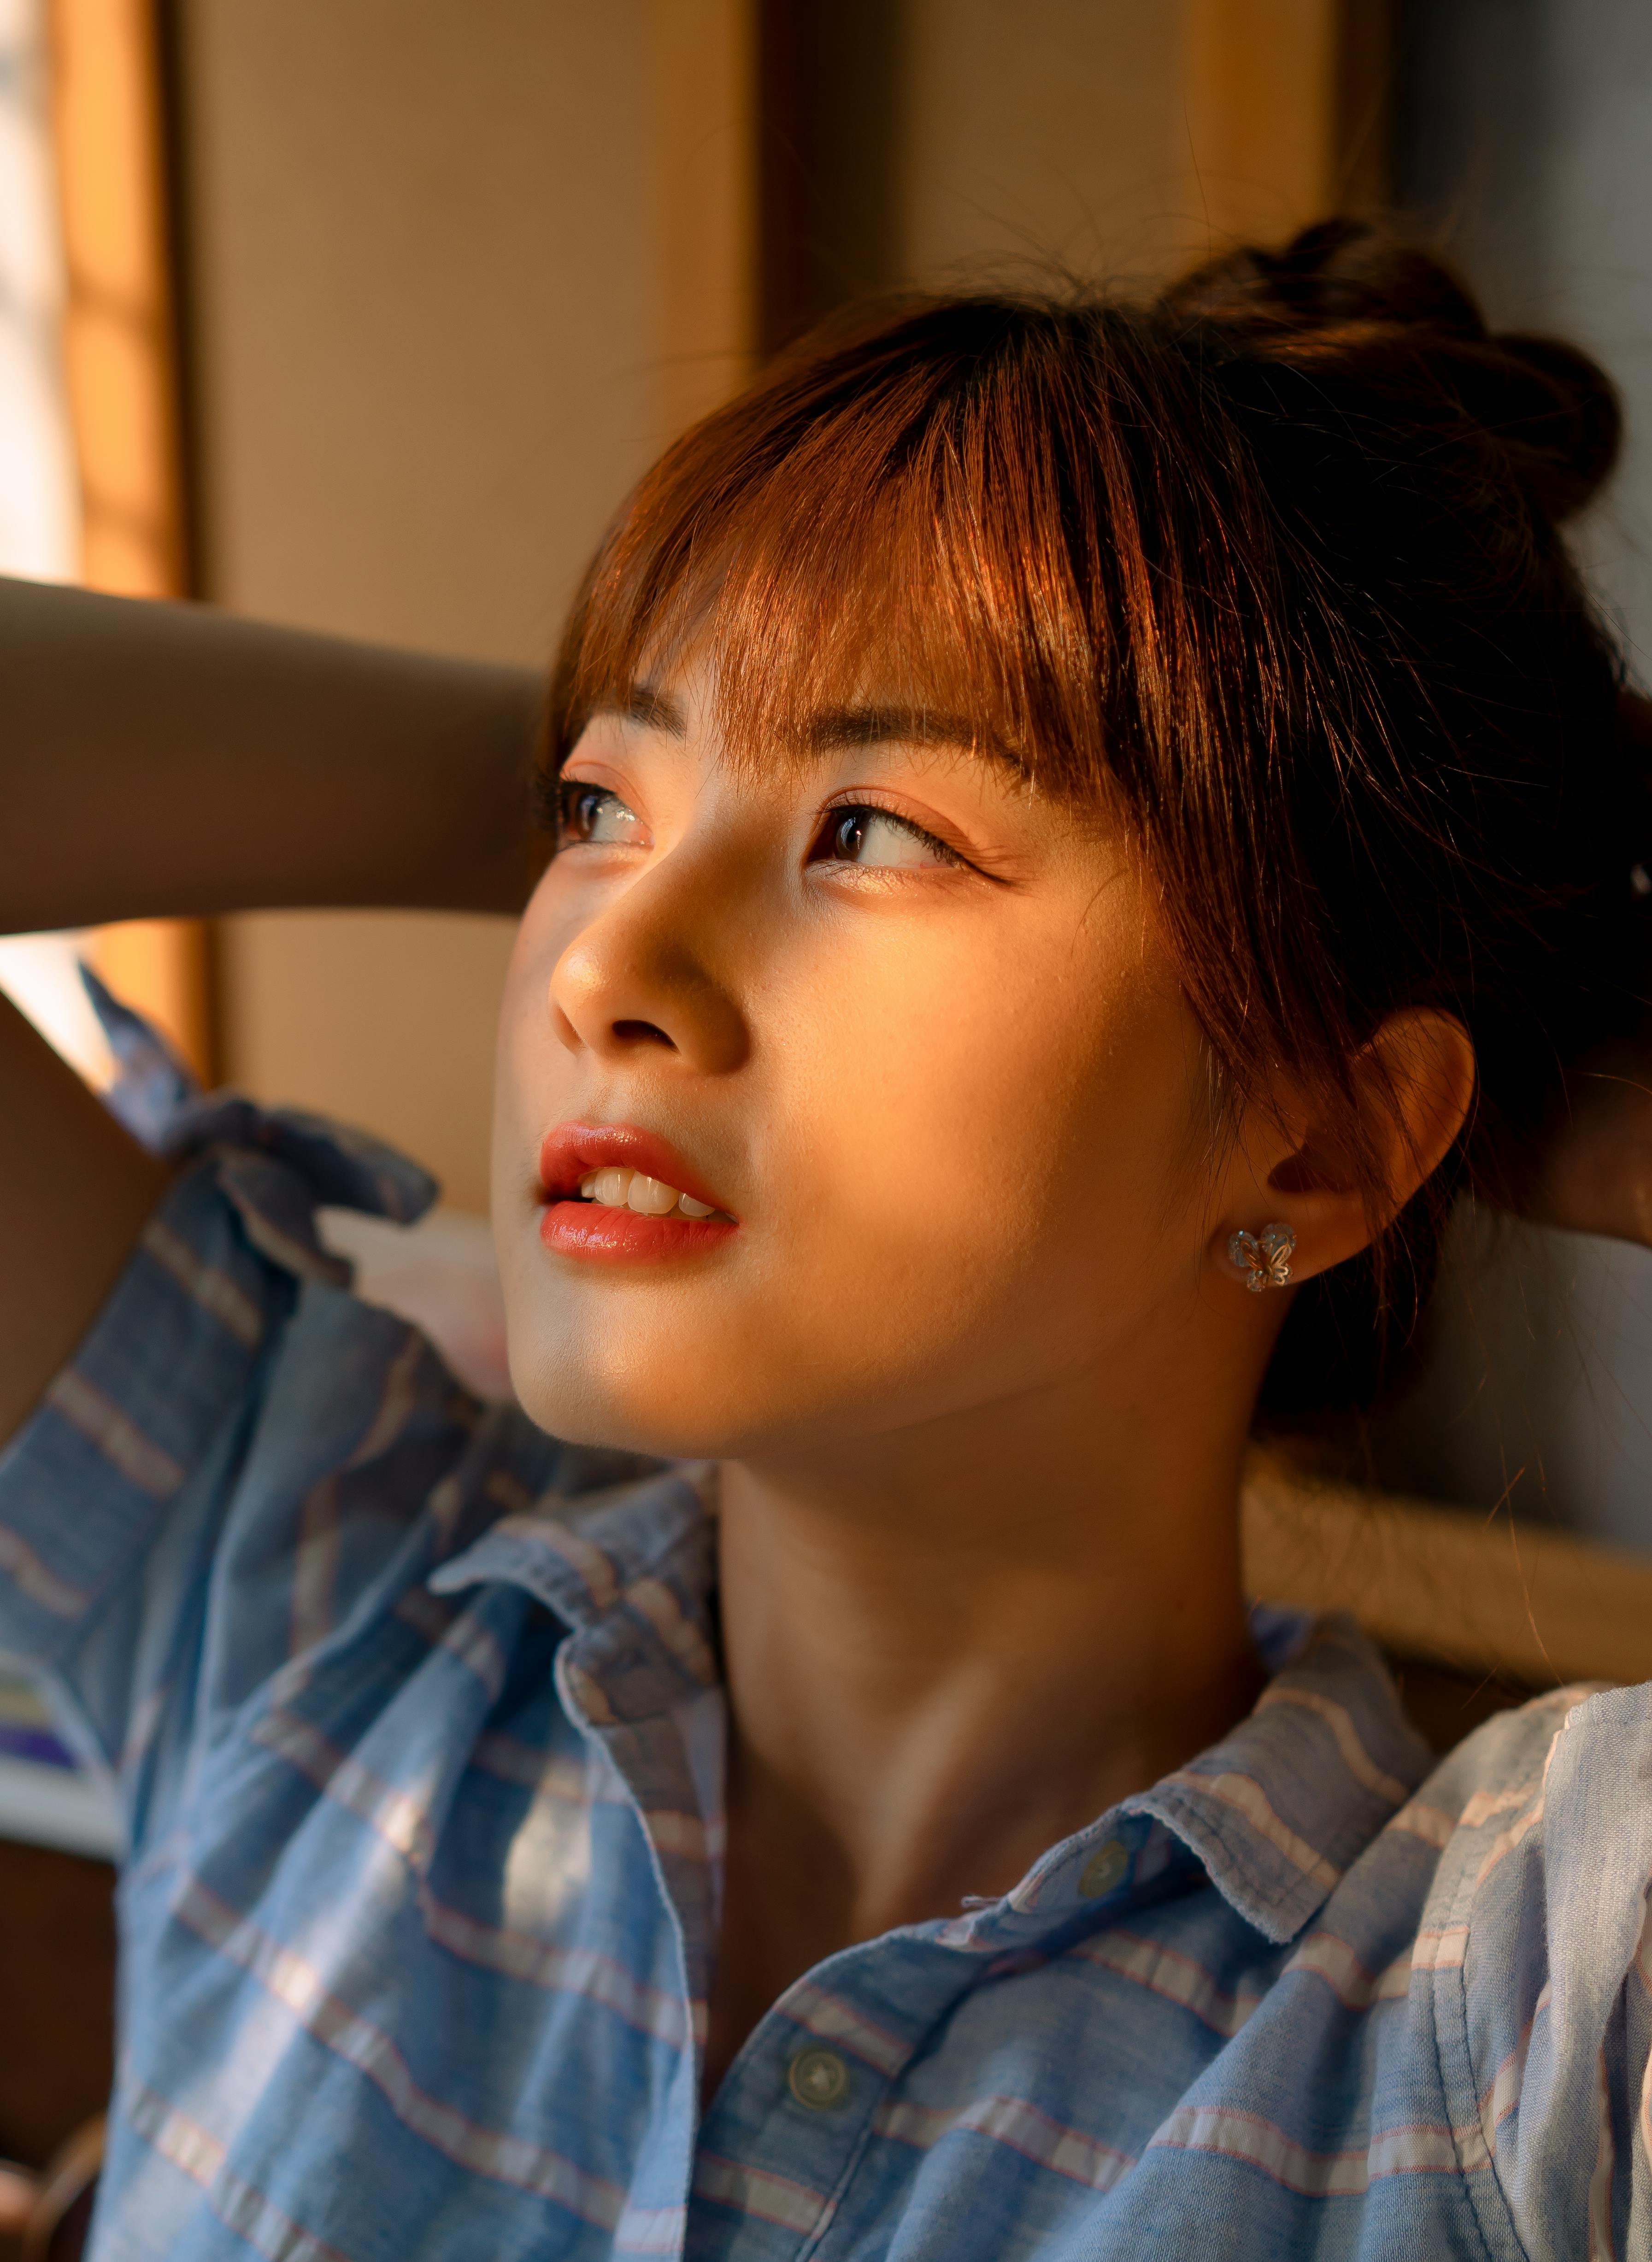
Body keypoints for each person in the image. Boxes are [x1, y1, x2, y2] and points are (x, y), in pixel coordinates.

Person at [0, 217, 1650, 2259]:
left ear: (1320, 1142)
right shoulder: (320, 1608)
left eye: (878, 831)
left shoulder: (1528, 2012)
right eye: (595, 818)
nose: (611, 962)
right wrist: (641, 741)